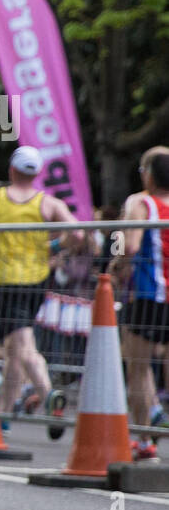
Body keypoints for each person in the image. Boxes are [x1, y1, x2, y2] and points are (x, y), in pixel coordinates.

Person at [0, 145, 81, 438]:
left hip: (6, 280)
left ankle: (48, 394)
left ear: (11, 170)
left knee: (24, 345)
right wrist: (53, 247)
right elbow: (79, 233)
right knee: (13, 349)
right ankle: (4, 414)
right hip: (37, 280)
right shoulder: (47, 203)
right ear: (36, 174)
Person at [112, 147, 169, 460]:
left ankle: (145, 438)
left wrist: (116, 264)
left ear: (149, 173)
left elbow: (130, 244)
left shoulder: (140, 202)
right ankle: (156, 415)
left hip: (149, 294)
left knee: (138, 365)